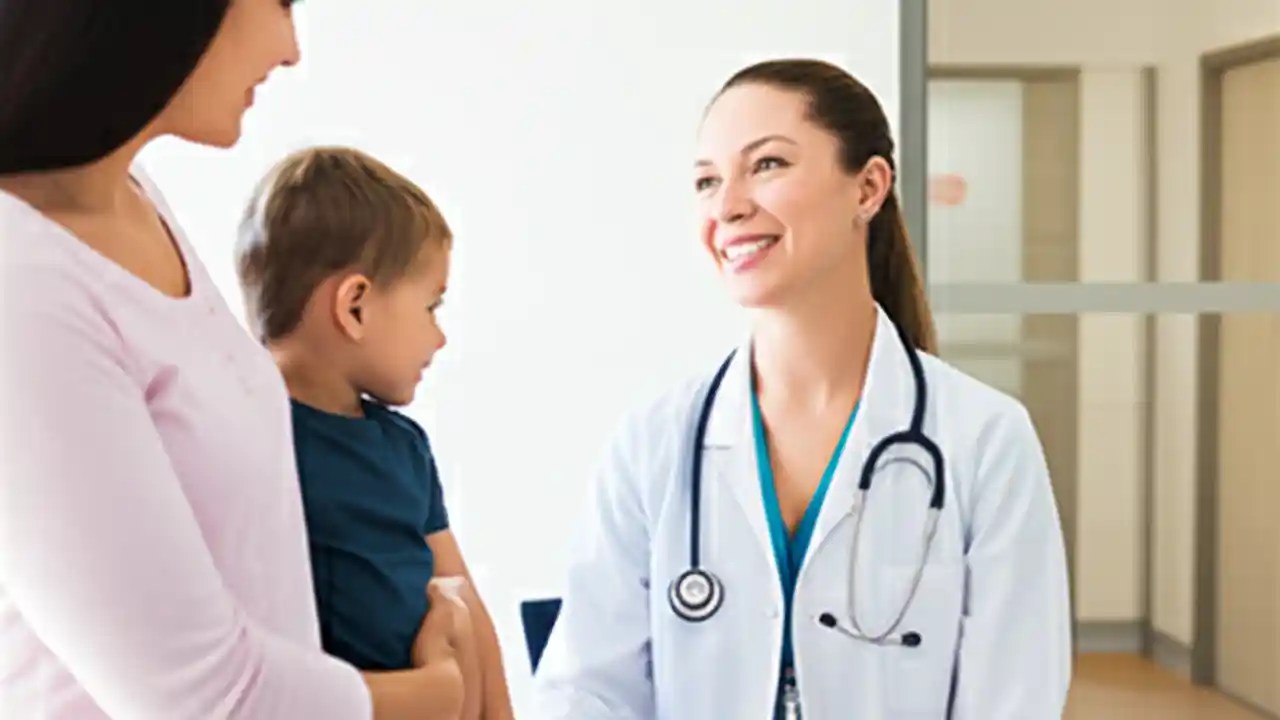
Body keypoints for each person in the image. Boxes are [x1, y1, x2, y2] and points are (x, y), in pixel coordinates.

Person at [532, 58, 1073, 719]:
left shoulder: (983, 439)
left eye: (767, 165)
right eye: (707, 180)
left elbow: (1013, 700)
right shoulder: (654, 442)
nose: (727, 205)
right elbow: (583, 690)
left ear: (868, 188)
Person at [0, 2, 474, 718]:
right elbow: (207, 701)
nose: (290, 50)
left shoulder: (133, 203)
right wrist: (437, 693)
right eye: (281, 3)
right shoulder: (22, 281)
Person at [234, 145, 516, 720]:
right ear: (356, 306)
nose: (439, 339)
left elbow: (463, 597)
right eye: (432, 307)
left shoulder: (404, 448)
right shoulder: (242, 437)